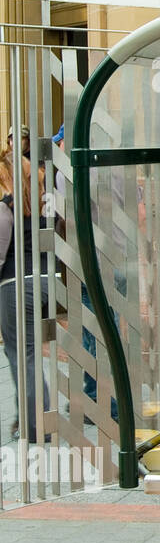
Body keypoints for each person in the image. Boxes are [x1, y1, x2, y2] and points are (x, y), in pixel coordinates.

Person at [0, 149, 51, 440]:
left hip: (16, 284)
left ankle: (34, 425)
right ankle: (31, 419)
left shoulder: (8, 208)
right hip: (43, 282)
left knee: (21, 355)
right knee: (29, 354)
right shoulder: (44, 206)